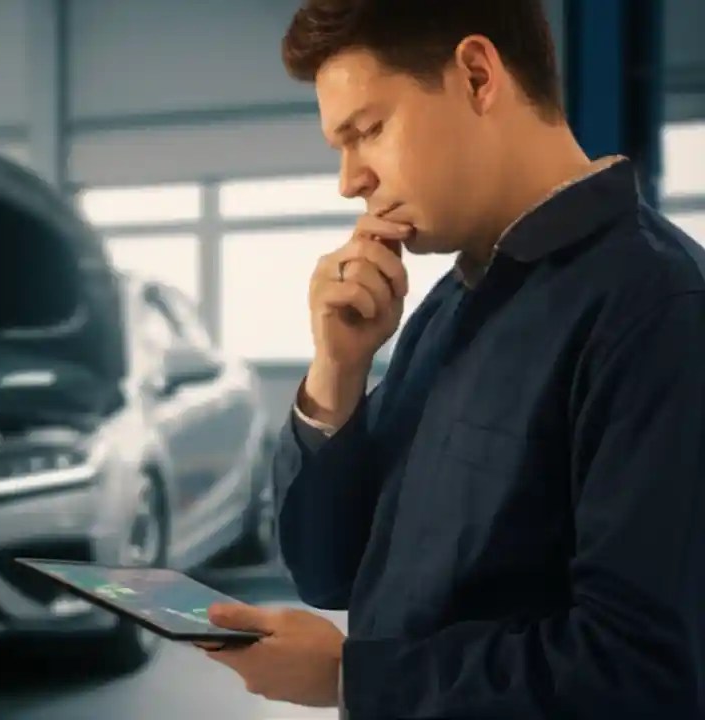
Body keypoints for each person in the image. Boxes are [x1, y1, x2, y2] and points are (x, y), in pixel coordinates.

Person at [201, 1, 705, 717]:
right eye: (338, 147)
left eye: (369, 130)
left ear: (476, 76)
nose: (349, 181)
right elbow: (329, 570)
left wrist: (354, 679)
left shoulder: (656, 307)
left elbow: (638, 672)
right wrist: (337, 374)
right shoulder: (448, 305)